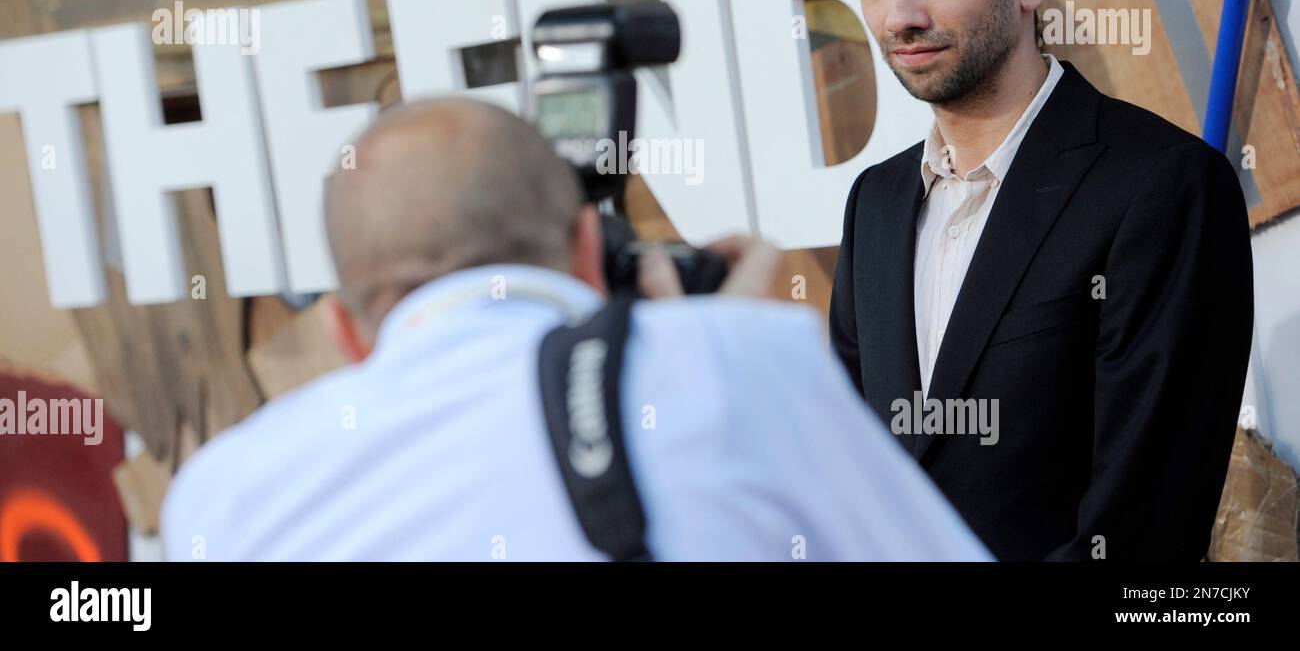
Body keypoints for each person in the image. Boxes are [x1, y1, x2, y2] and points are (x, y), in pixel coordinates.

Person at [162, 97, 989, 561]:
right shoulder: (726, 362)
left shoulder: (219, 494)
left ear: (344, 331)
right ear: (591, 250)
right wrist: (730, 350)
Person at [831, 0, 1254, 561]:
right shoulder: (877, 203)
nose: (899, 15)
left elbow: (1142, 533)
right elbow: (854, 480)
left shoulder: (1163, 188)